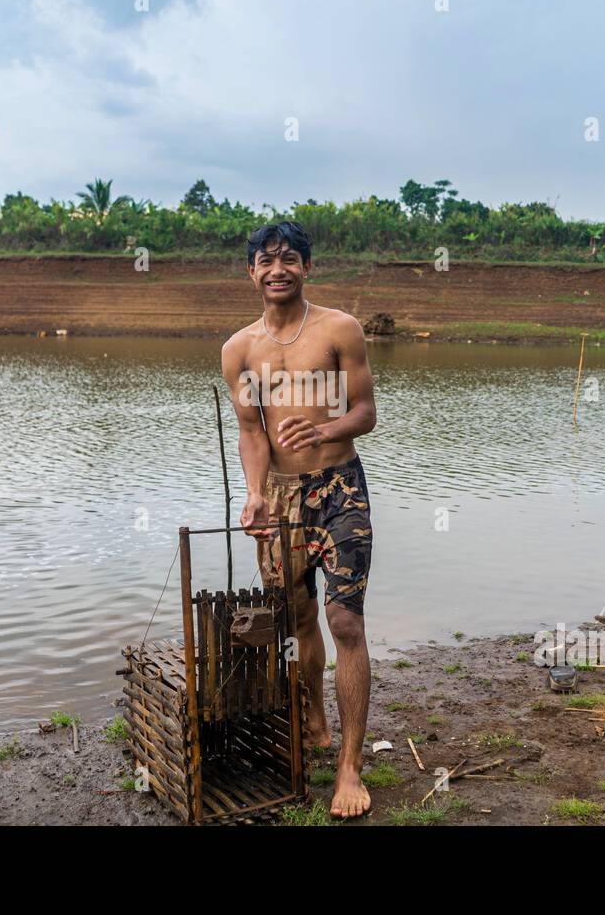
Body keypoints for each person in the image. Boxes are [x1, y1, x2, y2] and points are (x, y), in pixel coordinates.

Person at [220, 221, 378, 819]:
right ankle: (313, 715)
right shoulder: (239, 349)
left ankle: (349, 768)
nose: (277, 268)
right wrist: (255, 494)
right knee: (297, 616)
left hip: (340, 489)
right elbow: (251, 430)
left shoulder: (340, 329)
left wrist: (325, 429)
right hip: (281, 499)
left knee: (345, 621)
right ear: (252, 272)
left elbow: (364, 411)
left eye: (289, 258)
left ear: (306, 267)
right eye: (266, 260)